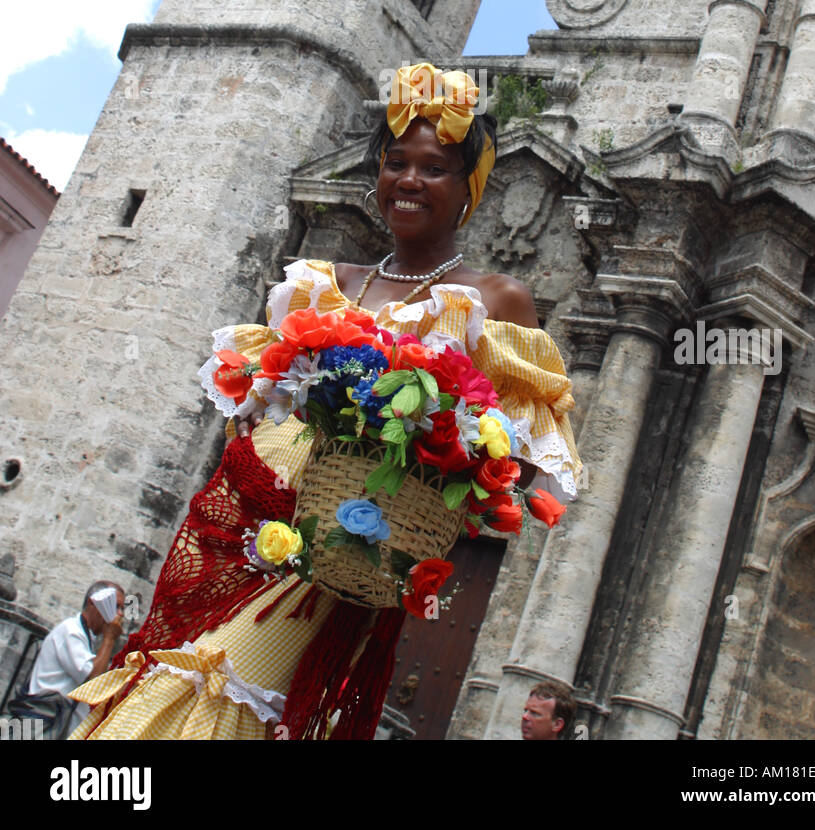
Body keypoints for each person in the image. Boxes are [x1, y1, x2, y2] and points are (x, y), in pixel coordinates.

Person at [69, 63, 580, 740]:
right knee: (178, 676)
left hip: (348, 546)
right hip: (253, 522)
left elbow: (512, 452)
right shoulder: (324, 282)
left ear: (468, 190)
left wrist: (440, 460)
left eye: (434, 169)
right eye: (395, 162)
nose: (407, 180)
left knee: (229, 691)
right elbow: (256, 403)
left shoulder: (493, 300)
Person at [27, 581, 124, 733]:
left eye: (121, 608)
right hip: (41, 723)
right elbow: (92, 680)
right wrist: (109, 638)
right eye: (116, 606)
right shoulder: (71, 632)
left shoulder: (85, 636)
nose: (120, 614)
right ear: (93, 603)